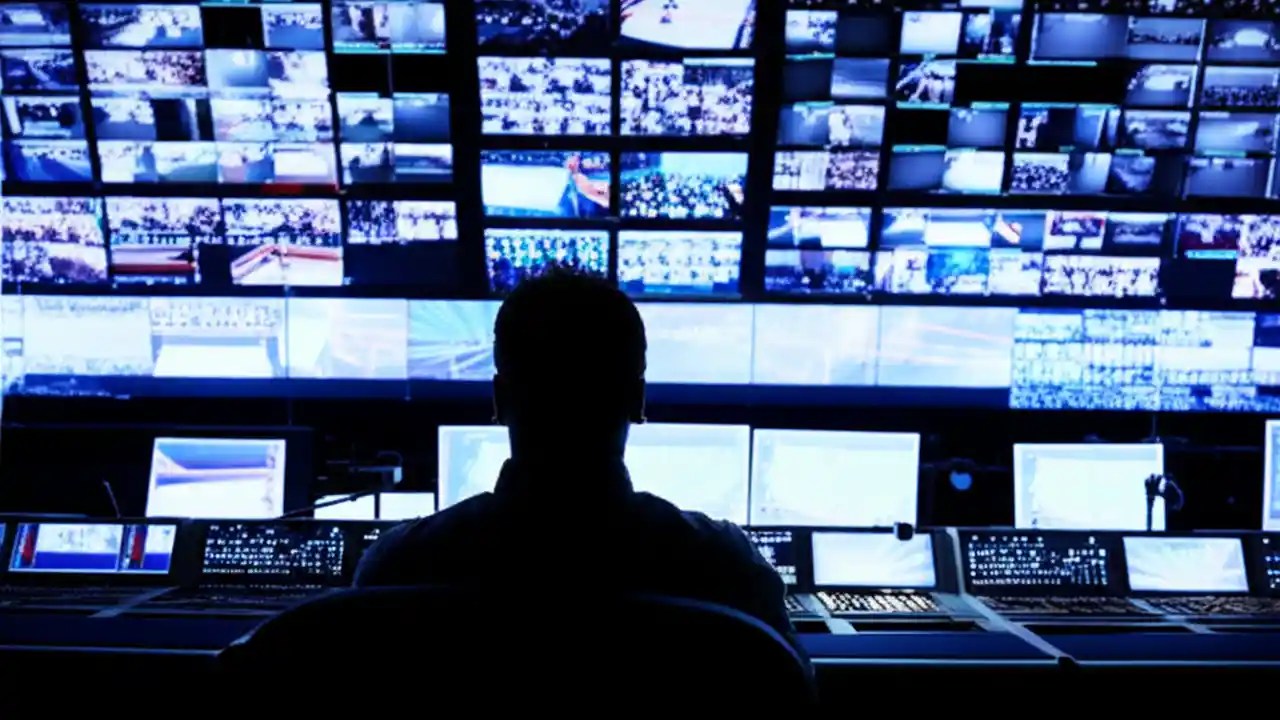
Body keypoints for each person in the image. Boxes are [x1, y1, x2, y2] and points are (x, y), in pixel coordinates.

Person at [354, 269, 807, 663]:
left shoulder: (396, 567)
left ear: (499, 401)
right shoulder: (729, 567)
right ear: (637, 399)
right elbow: (793, 696)